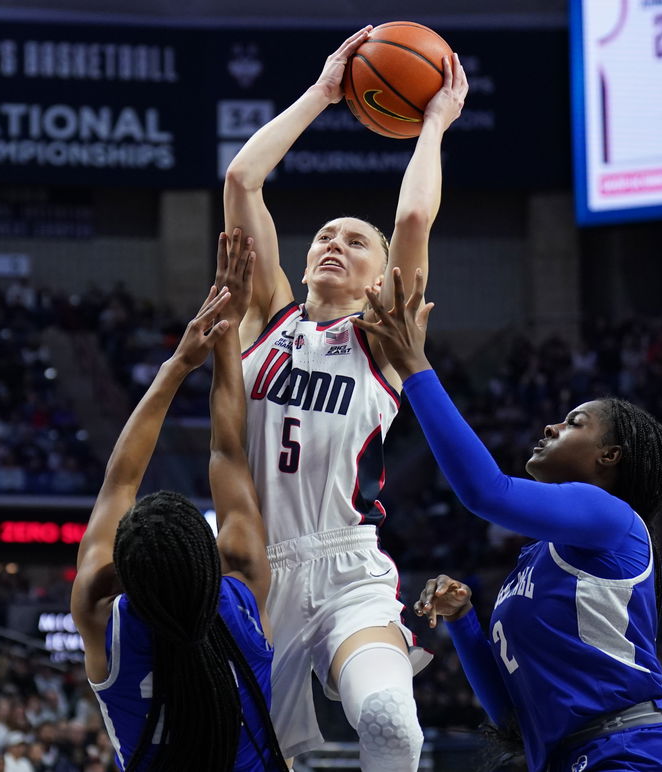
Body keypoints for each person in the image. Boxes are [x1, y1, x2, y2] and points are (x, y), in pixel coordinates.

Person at [222, 24, 468, 769]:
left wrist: (432, 125)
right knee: (266, 761)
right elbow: (241, 180)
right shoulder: (264, 321)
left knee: (393, 721)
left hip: (347, 567)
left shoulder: (384, 336)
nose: (334, 242)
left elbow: (416, 219)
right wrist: (325, 91)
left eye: (356, 242)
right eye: (324, 235)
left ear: (378, 278)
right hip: (253, 575)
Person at [354, 269, 662, 772]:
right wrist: (463, 621)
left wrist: (413, 365)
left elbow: (484, 491)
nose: (552, 425)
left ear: (609, 457)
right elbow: (509, 714)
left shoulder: (613, 518)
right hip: (568, 758)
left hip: (634, 752)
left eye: (574, 423)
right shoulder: (536, 558)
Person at [70, 232, 285, 771]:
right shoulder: (240, 587)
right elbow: (229, 452)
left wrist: (176, 366)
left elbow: (119, 481)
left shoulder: (101, 612)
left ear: (123, 570)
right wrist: (225, 337)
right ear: (208, 555)